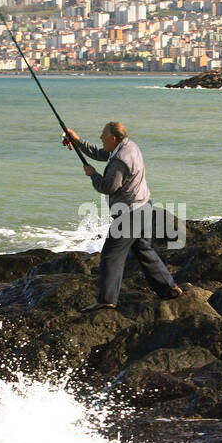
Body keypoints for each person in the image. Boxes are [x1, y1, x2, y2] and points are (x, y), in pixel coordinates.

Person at [63, 121, 182, 311]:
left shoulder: (119, 160)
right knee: (143, 250)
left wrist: (93, 174)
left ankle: (107, 300)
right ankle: (169, 288)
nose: (100, 138)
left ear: (112, 138)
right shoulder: (129, 146)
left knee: (110, 255)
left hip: (129, 215)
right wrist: (77, 141)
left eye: (103, 135)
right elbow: (101, 154)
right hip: (144, 207)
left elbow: (109, 187)